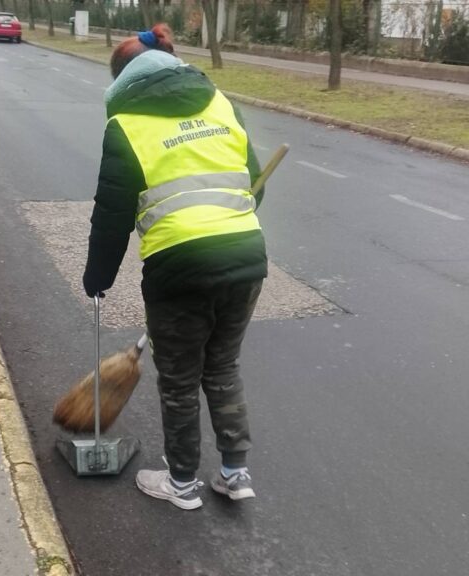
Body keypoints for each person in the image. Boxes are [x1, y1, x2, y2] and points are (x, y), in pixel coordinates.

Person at [82, 24, 268, 510]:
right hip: (246, 256)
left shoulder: (125, 126)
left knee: (181, 380)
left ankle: (182, 483)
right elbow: (254, 183)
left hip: (179, 265)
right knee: (223, 365)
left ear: (123, 80)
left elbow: (112, 215)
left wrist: (97, 278)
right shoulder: (222, 104)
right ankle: (234, 472)